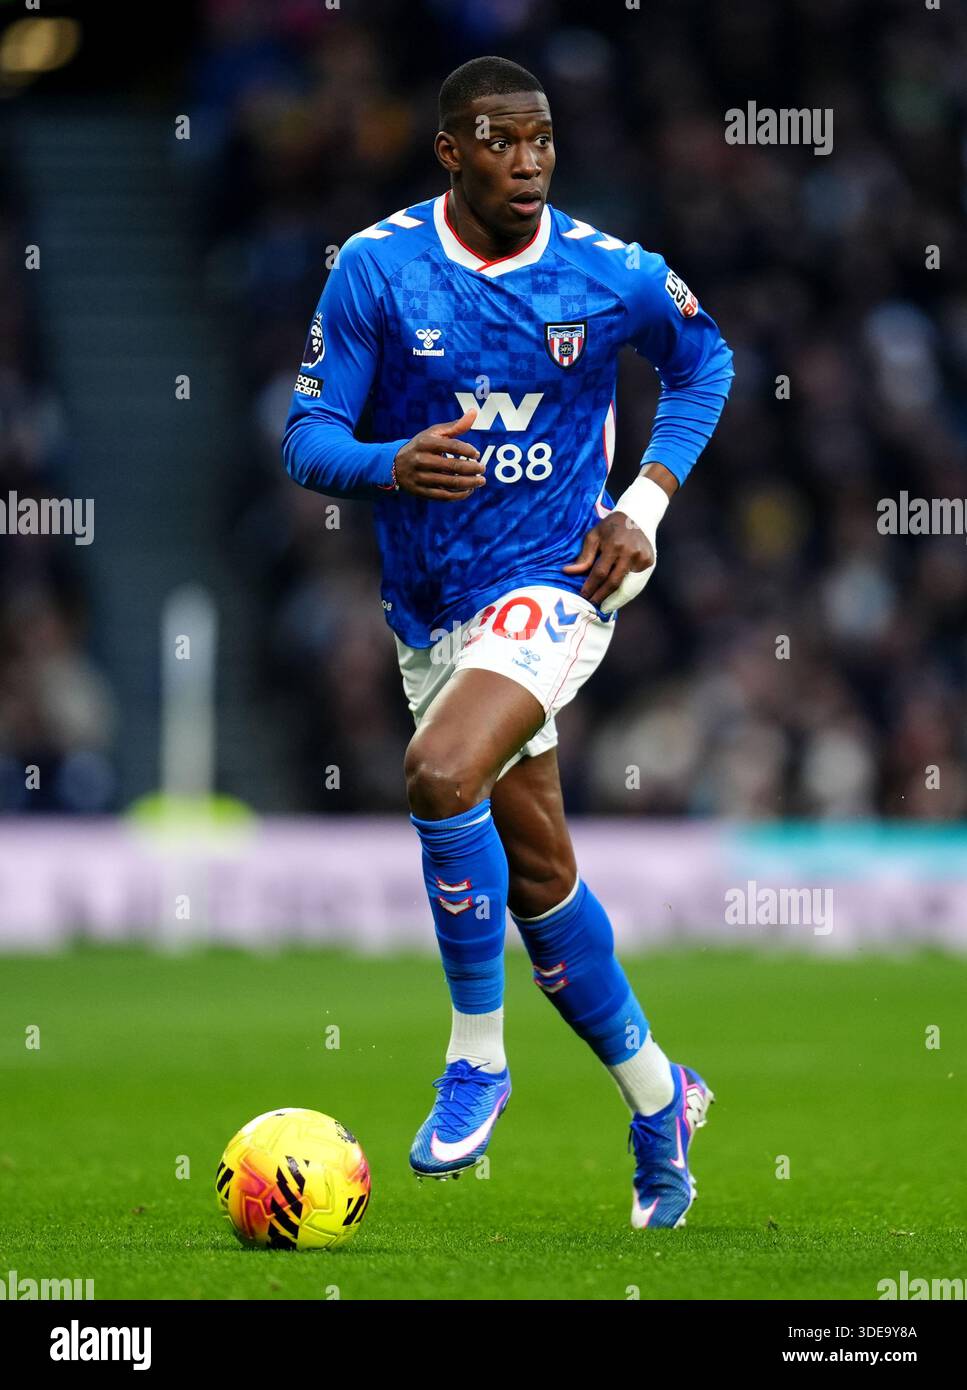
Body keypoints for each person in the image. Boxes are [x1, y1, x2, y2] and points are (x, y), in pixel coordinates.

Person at [283, 56, 734, 1228]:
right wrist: (388, 463)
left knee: (437, 772)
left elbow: (705, 361)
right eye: (501, 140)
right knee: (537, 874)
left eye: (542, 141)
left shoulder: (608, 271)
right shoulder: (377, 270)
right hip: (432, 608)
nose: (529, 161)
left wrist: (642, 506)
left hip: (557, 581)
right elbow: (308, 433)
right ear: (451, 150)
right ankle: (659, 1100)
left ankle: (476, 1054)